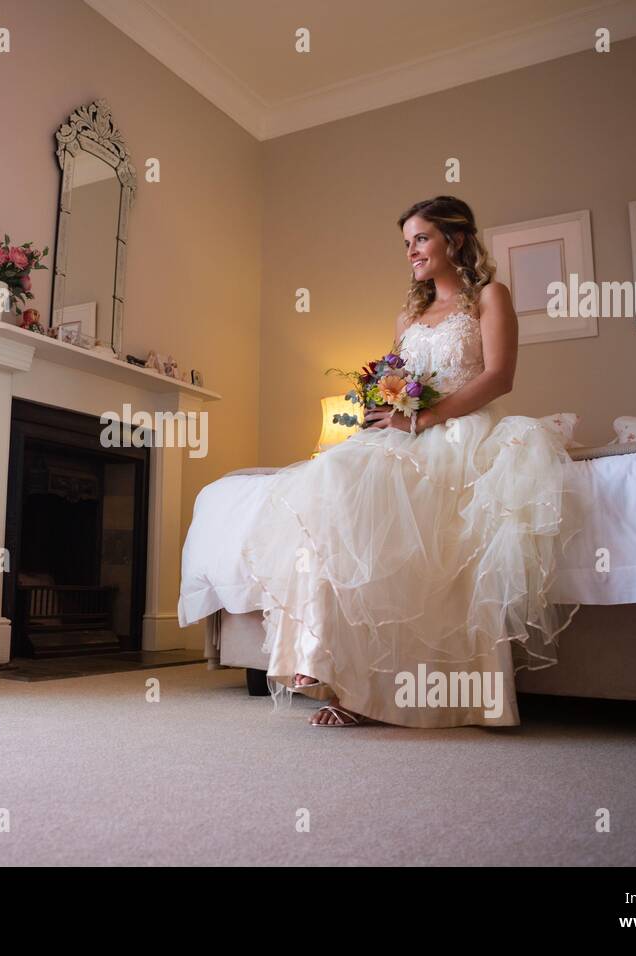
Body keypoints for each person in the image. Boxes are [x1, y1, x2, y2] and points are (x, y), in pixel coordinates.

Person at [240, 196, 580, 728]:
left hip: (461, 431)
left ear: (456, 239)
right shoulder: (408, 316)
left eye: (421, 238)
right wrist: (384, 409)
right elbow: (395, 381)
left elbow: (499, 377)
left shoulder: (489, 296)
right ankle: (329, 663)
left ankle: (373, 688)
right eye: (406, 243)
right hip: (408, 431)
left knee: (388, 500)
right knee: (332, 477)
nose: (412, 252)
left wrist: (427, 417)